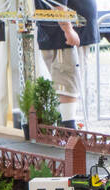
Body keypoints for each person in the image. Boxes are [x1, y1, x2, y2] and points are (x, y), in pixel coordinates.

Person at [38, 0, 97, 129]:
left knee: (70, 85)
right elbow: (58, 5)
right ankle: (69, 132)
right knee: (67, 86)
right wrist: (68, 29)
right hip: (63, 40)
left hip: (70, 36)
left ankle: (67, 128)